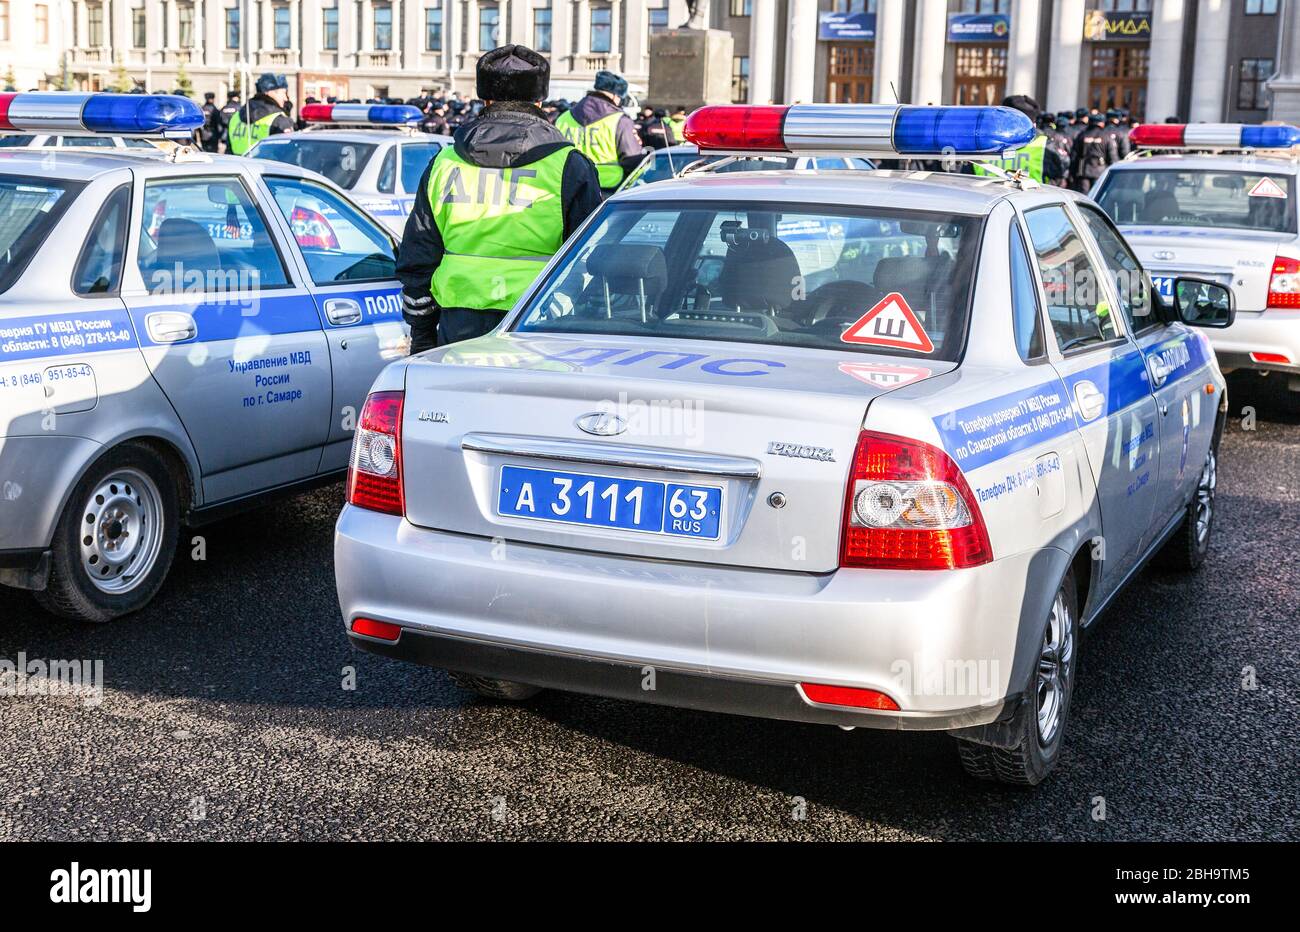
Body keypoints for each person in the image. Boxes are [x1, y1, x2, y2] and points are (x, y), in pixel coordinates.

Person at [396, 45, 603, 353]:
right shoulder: (568, 165)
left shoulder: (445, 162)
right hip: (540, 321)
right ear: (539, 99)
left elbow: (419, 253)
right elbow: (592, 256)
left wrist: (423, 333)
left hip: (458, 323)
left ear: (485, 98)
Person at [554, 70, 645, 196]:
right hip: (608, 189)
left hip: (568, 187)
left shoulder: (563, 118)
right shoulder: (620, 121)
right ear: (615, 96)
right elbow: (633, 161)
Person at [972, 95, 1065, 185]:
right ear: (1033, 124)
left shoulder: (980, 143)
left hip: (984, 199)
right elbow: (1059, 177)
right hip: (1033, 199)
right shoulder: (1045, 145)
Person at [226, 73, 295, 155]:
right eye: (283, 93)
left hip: (239, 166)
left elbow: (228, 151)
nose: (285, 98)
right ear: (270, 93)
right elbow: (288, 156)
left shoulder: (235, 116)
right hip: (267, 167)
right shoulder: (280, 120)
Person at [1069, 112, 1119, 194]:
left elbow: (1074, 156)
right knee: (1097, 196)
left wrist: (1072, 173)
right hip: (1100, 172)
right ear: (1102, 123)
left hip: (1083, 171)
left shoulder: (1082, 135)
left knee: (1083, 196)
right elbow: (1112, 157)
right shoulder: (1106, 136)